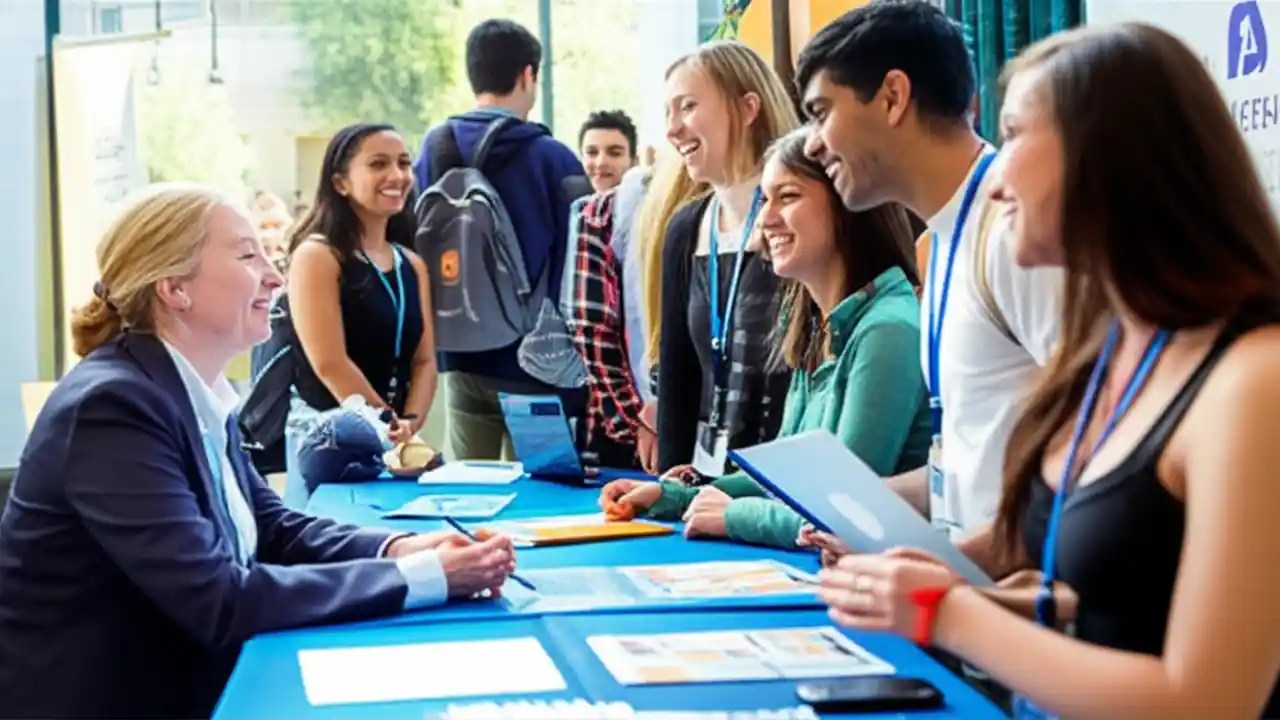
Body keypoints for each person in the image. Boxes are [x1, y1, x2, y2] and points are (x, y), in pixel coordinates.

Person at [819, 23, 1280, 717]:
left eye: (1016, 133)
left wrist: (948, 614)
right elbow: (1095, 597)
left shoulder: (1254, 378)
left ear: (1109, 158)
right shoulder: (1120, 349)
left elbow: (1208, 699)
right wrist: (958, 585)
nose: (996, 176)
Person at [0, 184, 516, 718]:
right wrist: (429, 577)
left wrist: (400, 550)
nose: (274, 275)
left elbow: (270, 527)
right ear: (175, 287)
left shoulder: (179, 387)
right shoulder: (113, 409)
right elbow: (220, 599)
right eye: (249, 255)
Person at [795, 1, 1061, 559]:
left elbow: (1098, 457)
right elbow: (972, 454)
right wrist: (866, 511)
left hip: (1027, 606)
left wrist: (951, 565)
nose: (814, 145)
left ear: (893, 97)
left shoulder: (1015, 232)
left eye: (821, 113)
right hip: (976, 596)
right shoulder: (937, 241)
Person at [601, 129, 930, 547]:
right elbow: (791, 479)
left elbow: (845, 508)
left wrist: (733, 515)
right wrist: (676, 496)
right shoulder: (811, 320)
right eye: (765, 199)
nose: (765, 220)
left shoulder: (888, 329)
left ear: (849, 204)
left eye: (787, 197)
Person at [413, 19, 588, 461]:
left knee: (478, 501)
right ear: (528, 74)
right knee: (544, 502)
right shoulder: (552, 157)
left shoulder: (432, 151)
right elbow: (584, 262)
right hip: (536, 366)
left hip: (457, 358)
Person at [655, 40, 800, 477]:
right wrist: (668, 492)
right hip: (707, 480)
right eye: (668, 112)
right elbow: (678, 379)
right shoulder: (685, 228)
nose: (672, 129)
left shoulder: (804, 213)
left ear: (748, 107)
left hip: (789, 479)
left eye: (688, 107)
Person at [284, 123, 436, 505]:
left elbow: (425, 360)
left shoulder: (412, 264)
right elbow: (330, 363)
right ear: (340, 183)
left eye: (403, 163)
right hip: (329, 442)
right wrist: (391, 426)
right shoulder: (317, 256)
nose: (397, 176)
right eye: (378, 164)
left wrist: (410, 426)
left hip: (392, 446)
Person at [568, 150, 708, 473]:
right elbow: (594, 331)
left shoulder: (735, 210)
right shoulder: (607, 212)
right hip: (639, 436)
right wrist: (639, 420)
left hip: (700, 434)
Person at [579, 109, 638, 192]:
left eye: (614, 153)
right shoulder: (580, 204)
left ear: (633, 161)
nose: (601, 163)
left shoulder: (651, 203)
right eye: (592, 152)